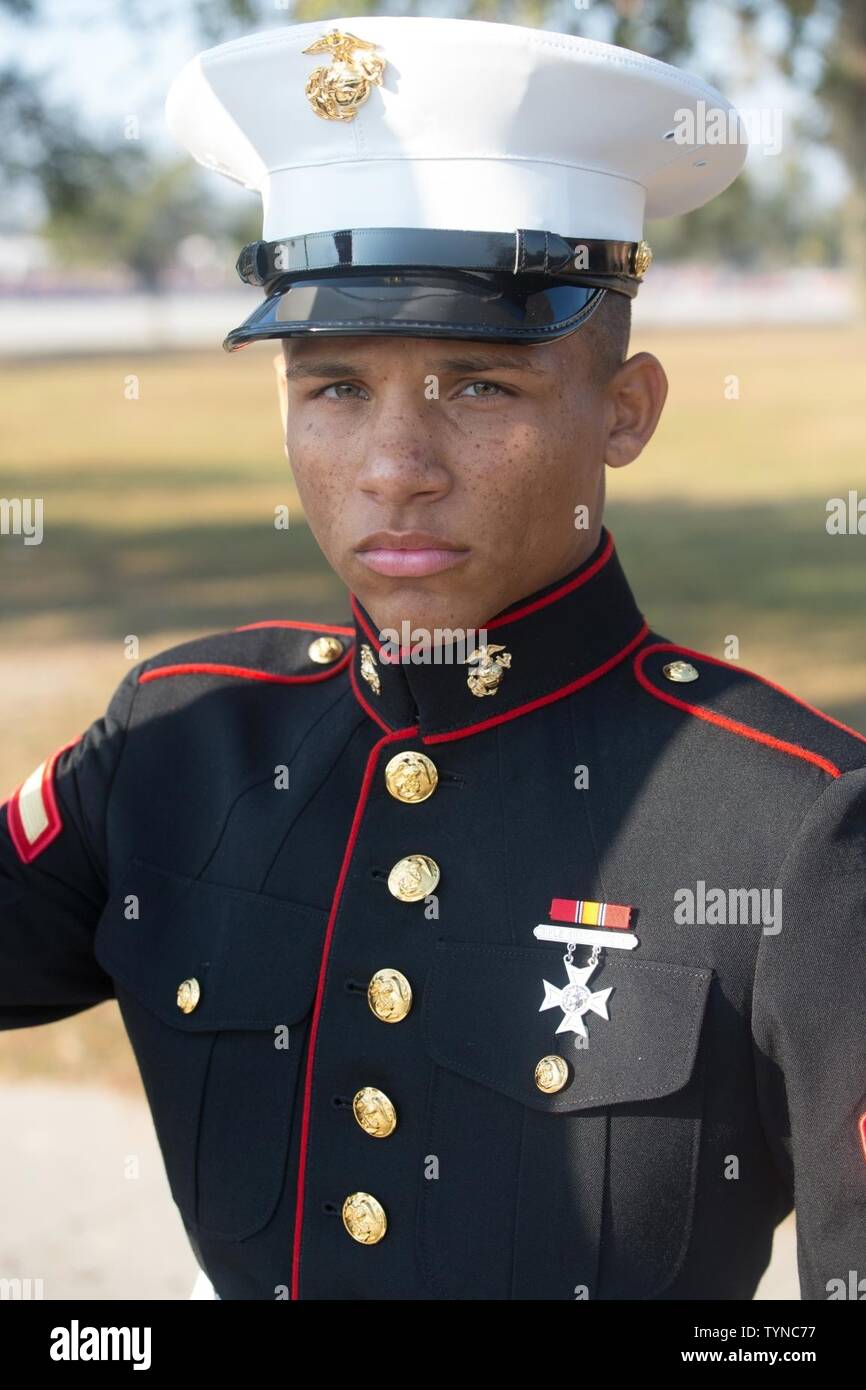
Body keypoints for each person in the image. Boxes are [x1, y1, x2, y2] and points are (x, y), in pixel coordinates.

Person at [2, 15, 864, 1303]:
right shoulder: (178, 739)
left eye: (482, 386)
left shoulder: (800, 827)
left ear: (624, 412)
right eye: (334, 387)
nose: (394, 469)